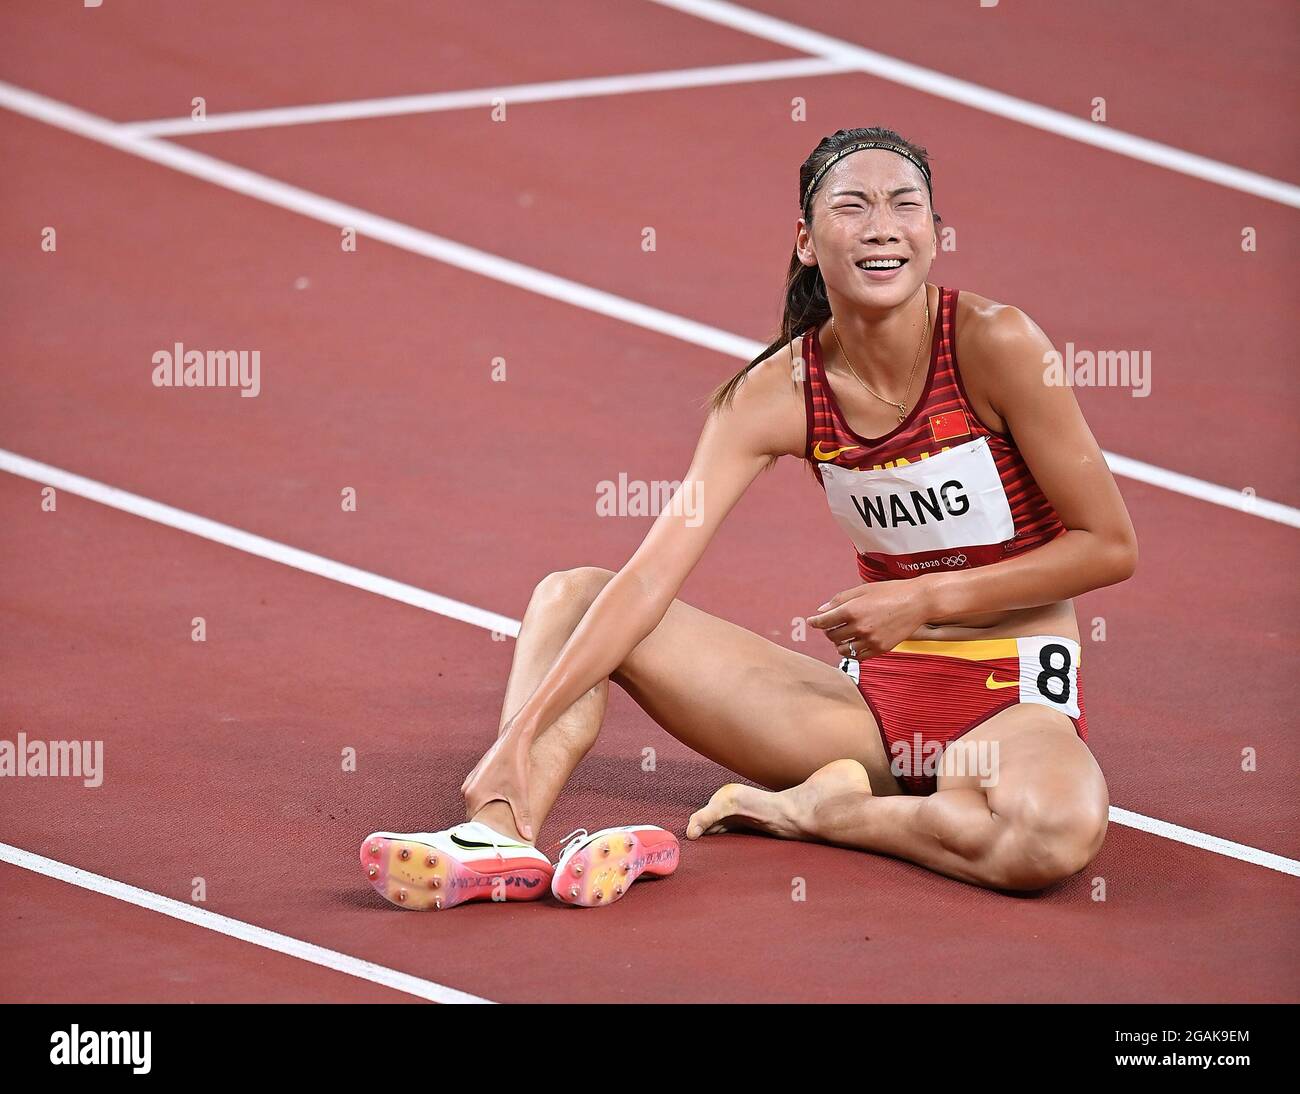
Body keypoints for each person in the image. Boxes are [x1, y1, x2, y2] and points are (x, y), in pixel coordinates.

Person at [361, 126, 1138, 911]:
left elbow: (1108, 547)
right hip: (863, 714)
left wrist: (924, 599)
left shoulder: (994, 343)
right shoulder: (775, 394)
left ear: (934, 235)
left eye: (907, 206)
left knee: (1052, 835)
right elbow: (648, 581)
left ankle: (833, 815)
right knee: (573, 597)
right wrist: (517, 736)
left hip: (1008, 702)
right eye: (853, 207)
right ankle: (496, 835)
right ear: (806, 239)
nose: (882, 227)